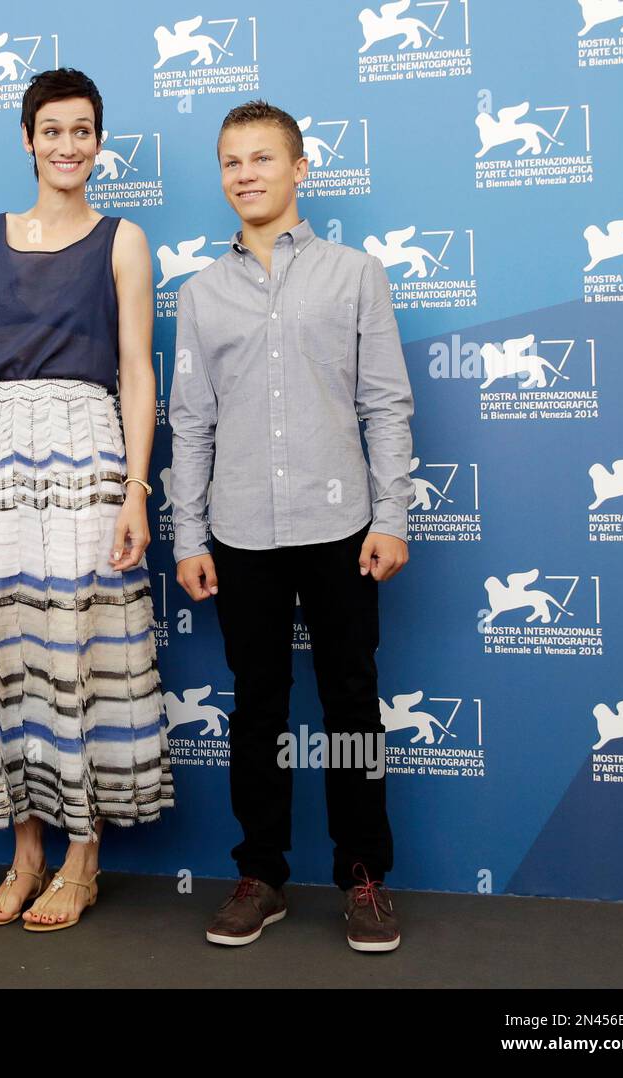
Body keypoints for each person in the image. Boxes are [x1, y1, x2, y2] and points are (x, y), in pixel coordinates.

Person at [169, 100, 414, 952]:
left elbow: (385, 405)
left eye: (263, 158)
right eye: (232, 160)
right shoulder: (200, 294)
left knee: (350, 705)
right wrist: (188, 535)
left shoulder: (355, 274)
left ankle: (363, 873)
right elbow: (190, 422)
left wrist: (391, 516)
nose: (246, 173)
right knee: (258, 711)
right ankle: (262, 874)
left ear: (300, 168)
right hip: (239, 534)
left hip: (342, 526)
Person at [0, 68, 173, 932]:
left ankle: (84, 859)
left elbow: (139, 374)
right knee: (8, 654)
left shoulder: (123, 240)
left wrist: (134, 490)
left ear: (98, 142)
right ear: (28, 140)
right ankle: (26, 855)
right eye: (52, 130)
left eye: (83, 130)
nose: (68, 145)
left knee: (84, 649)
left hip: (87, 449)